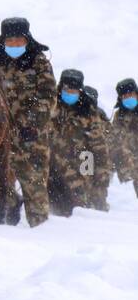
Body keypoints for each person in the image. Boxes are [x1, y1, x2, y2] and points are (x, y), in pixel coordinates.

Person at [0, 17, 57, 227]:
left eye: (19, 40)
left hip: (31, 137)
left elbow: (48, 97)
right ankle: (3, 232)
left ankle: (40, 228)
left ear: (27, 39)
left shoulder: (39, 62)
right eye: (10, 41)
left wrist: (29, 123)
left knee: (34, 185)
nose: (14, 45)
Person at [47, 69, 94, 216]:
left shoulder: (87, 111)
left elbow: (96, 148)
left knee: (76, 210)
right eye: (67, 89)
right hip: (49, 167)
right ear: (61, 88)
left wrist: (93, 180)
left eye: (75, 91)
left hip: (79, 167)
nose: (70, 93)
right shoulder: (49, 105)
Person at [111, 79, 138, 199]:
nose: (128, 98)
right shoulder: (119, 116)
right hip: (133, 169)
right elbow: (116, 141)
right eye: (125, 96)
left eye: (131, 94)